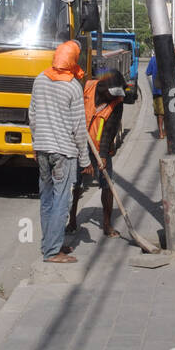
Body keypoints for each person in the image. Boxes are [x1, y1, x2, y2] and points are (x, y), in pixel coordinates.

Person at [28, 40, 91, 264]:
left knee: (46, 199)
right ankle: (53, 251)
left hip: (43, 148)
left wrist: (35, 145)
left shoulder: (40, 79)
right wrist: (85, 160)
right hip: (63, 152)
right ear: (73, 60)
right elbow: (78, 128)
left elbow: (32, 116)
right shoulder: (73, 86)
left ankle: (50, 243)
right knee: (61, 201)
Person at [67, 70, 127, 239]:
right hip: (79, 143)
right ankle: (71, 221)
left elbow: (110, 131)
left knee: (107, 184)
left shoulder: (117, 103)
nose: (112, 97)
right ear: (103, 88)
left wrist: (102, 155)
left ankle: (107, 225)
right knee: (75, 184)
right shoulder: (87, 88)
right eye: (110, 93)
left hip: (101, 147)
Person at [145, 52, 165, 138]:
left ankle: (160, 132)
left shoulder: (153, 59)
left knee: (159, 113)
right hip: (169, 90)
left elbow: (148, 72)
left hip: (157, 90)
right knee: (168, 112)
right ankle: (166, 131)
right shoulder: (168, 57)